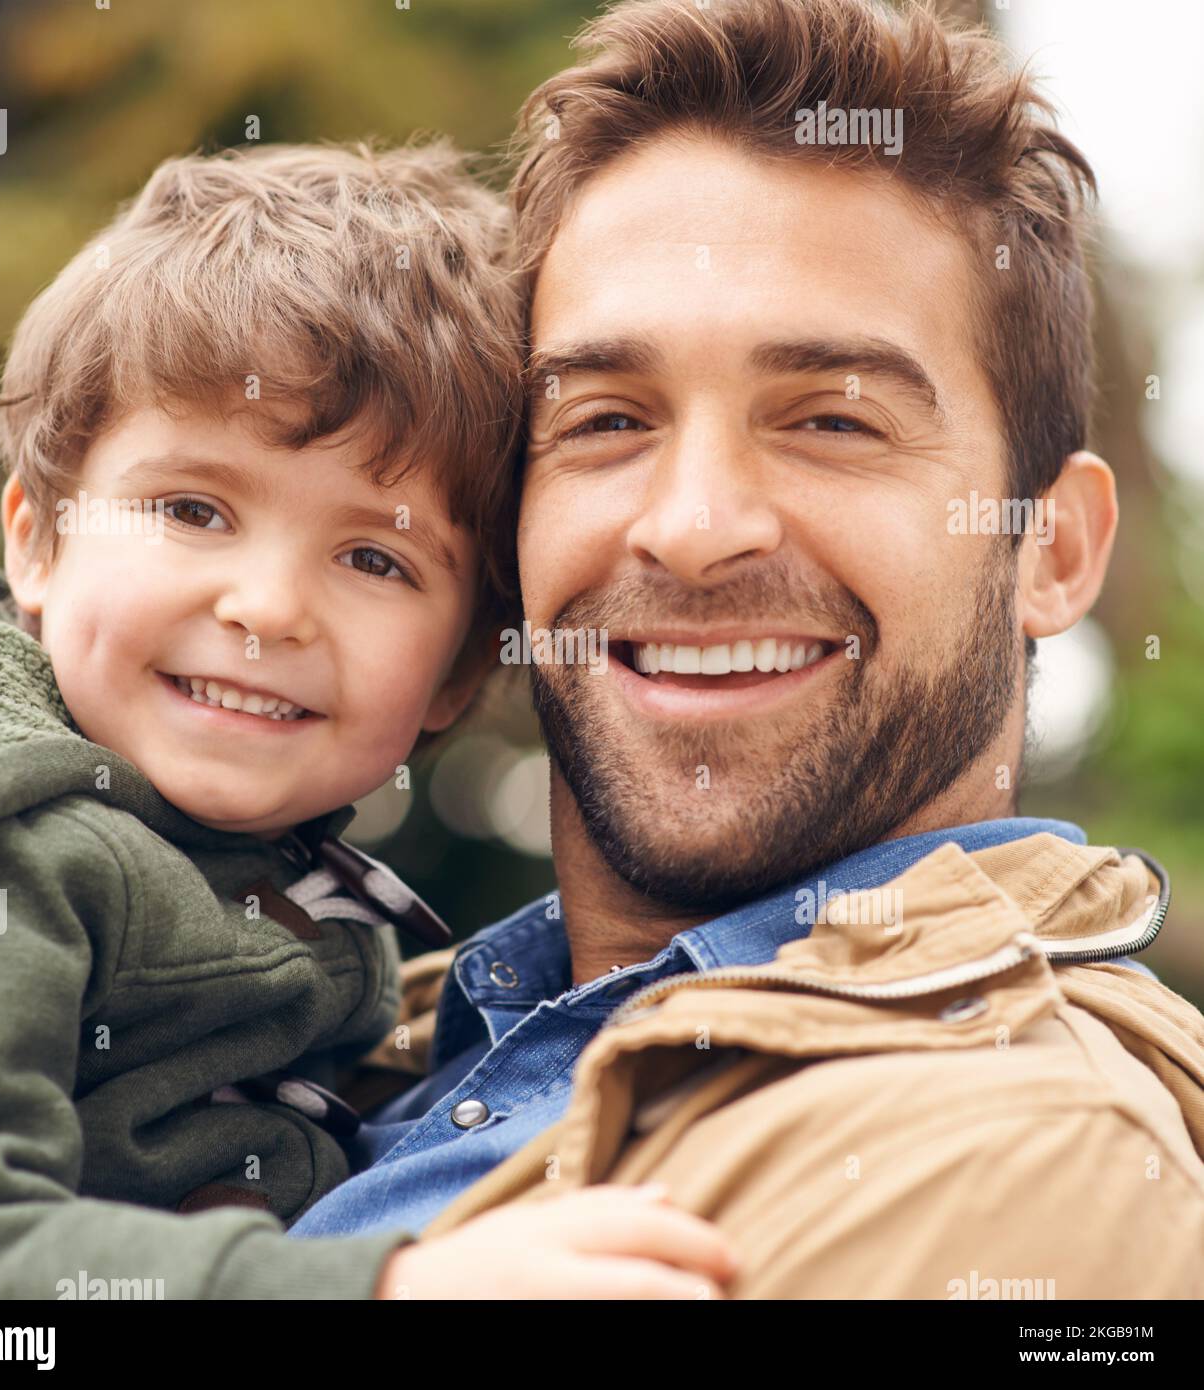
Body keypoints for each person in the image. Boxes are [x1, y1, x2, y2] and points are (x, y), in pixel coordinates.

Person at [292, 0, 1204, 1297]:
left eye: (832, 420)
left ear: (1052, 548)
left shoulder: (1023, 1168)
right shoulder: (321, 1035)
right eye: (606, 419)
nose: (695, 526)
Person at [0, 141, 737, 1301]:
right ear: (37, 539)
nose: (267, 606)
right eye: (193, 508)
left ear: (456, 672)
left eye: (373, 558)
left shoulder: (287, 896)